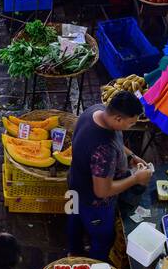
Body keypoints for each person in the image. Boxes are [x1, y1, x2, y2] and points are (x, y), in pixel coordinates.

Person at [66, 91, 154, 260]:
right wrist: (136, 178)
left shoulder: (95, 111)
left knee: (73, 221)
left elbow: (117, 141)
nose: (130, 127)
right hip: (94, 203)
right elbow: (102, 191)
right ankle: (94, 266)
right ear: (118, 119)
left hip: (73, 185)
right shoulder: (104, 149)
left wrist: (131, 157)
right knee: (102, 238)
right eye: (130, 123)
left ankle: (73, 252)